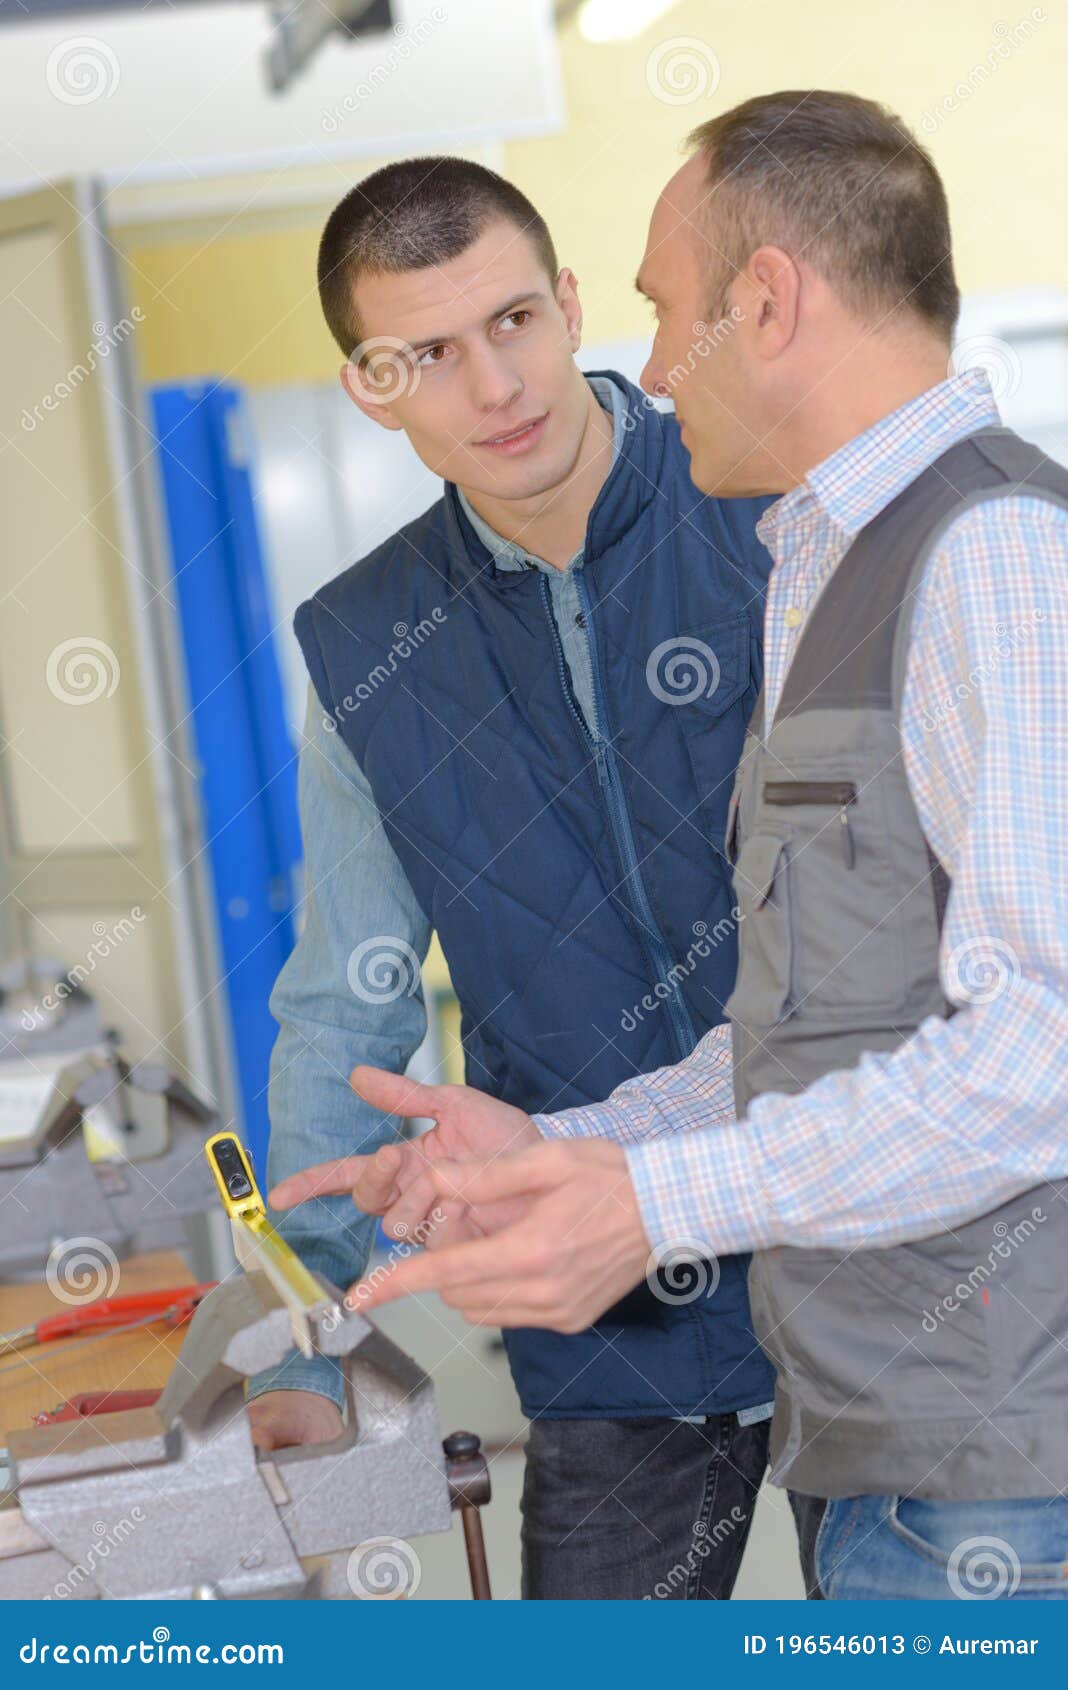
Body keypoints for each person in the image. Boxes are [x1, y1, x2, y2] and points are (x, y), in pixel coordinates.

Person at [299, 93, 1068, 1601]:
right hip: (736, 1357)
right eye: (430, 354)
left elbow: (1034, 1040)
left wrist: (654, 1195)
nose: (541, 379)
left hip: (968, 1391)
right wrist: (563, 1155)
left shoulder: (918, 543)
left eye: (546, 316)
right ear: (371, 385)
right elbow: (803, 1028)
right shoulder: (813, 558)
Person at [247, 154, 781, 1600]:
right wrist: (314, 1324)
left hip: (869, 1242)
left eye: (512, 323)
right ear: (371, 385)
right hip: (593, 1290)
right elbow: (346, 1009)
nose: (495, 385)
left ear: (568, 304)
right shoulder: (368, 646)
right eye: (426, 353)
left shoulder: (774, 509)